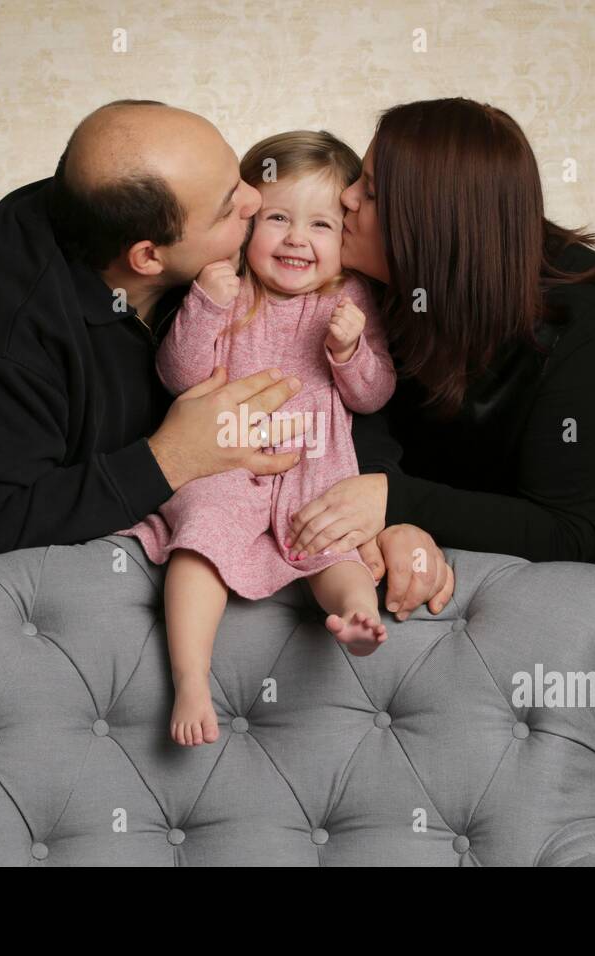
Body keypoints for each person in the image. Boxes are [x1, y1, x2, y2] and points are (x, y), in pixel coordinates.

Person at [0, 100, 451, 849]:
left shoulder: (137, 214)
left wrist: (386, 498)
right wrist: (174, 457)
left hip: (59, 487)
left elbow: (360, 402)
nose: (258, 203)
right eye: (233, 205)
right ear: (147, 257)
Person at [284, 97, 595, 822]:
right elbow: (369, 407)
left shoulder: (591, 326)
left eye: (369, 188)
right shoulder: (386, 285)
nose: (346, 197)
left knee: (559, 806)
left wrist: (397, 504)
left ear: (428, 220)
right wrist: (395, 509)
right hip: (495, 550)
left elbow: (565, 532)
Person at [116, 131, 397, 747]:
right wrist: (205, 309)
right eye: (277, 217)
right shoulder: (226, 288)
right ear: (246, 222)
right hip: (225, 459)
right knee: (200, 540)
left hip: (314, 466)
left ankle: (357, 616)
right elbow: (179, 375)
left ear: (343, 240)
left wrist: (350, 353)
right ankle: (191, 678)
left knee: (334, 549)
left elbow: (372, 395)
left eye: (321, 224)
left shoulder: (350, 298)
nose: (298, 238)